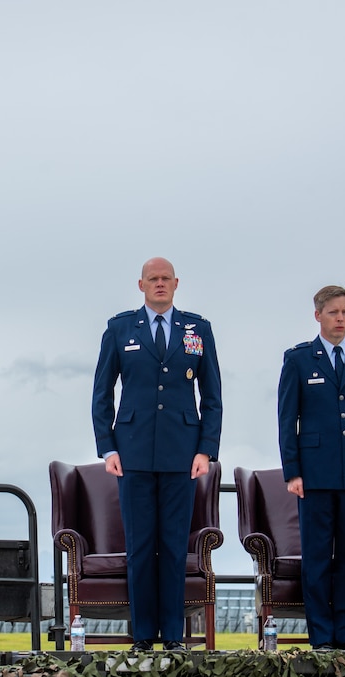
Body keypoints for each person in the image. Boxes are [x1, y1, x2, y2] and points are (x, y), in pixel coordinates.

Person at [91, 257, 223, 651]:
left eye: (166, 279)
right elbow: (102, 393)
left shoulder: (198, 329)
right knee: (141, 547)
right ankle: (144, 634)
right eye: (153, 279)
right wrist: (107, 446)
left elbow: (212, 396)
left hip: (183, 455)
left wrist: (206, 449)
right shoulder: (119, 329)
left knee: (173, 546)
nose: (160, 284)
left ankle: (173, 635)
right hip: (131, 454)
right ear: (141, 284)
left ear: (176, 283)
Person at [277, 284, 345, 650]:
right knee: (318, 557)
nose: (340, 319)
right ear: (318, 315)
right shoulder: (298, 360)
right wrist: (292, 471)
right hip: (315, 474)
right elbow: (286, 419)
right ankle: (321, 635)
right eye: (333, 313)